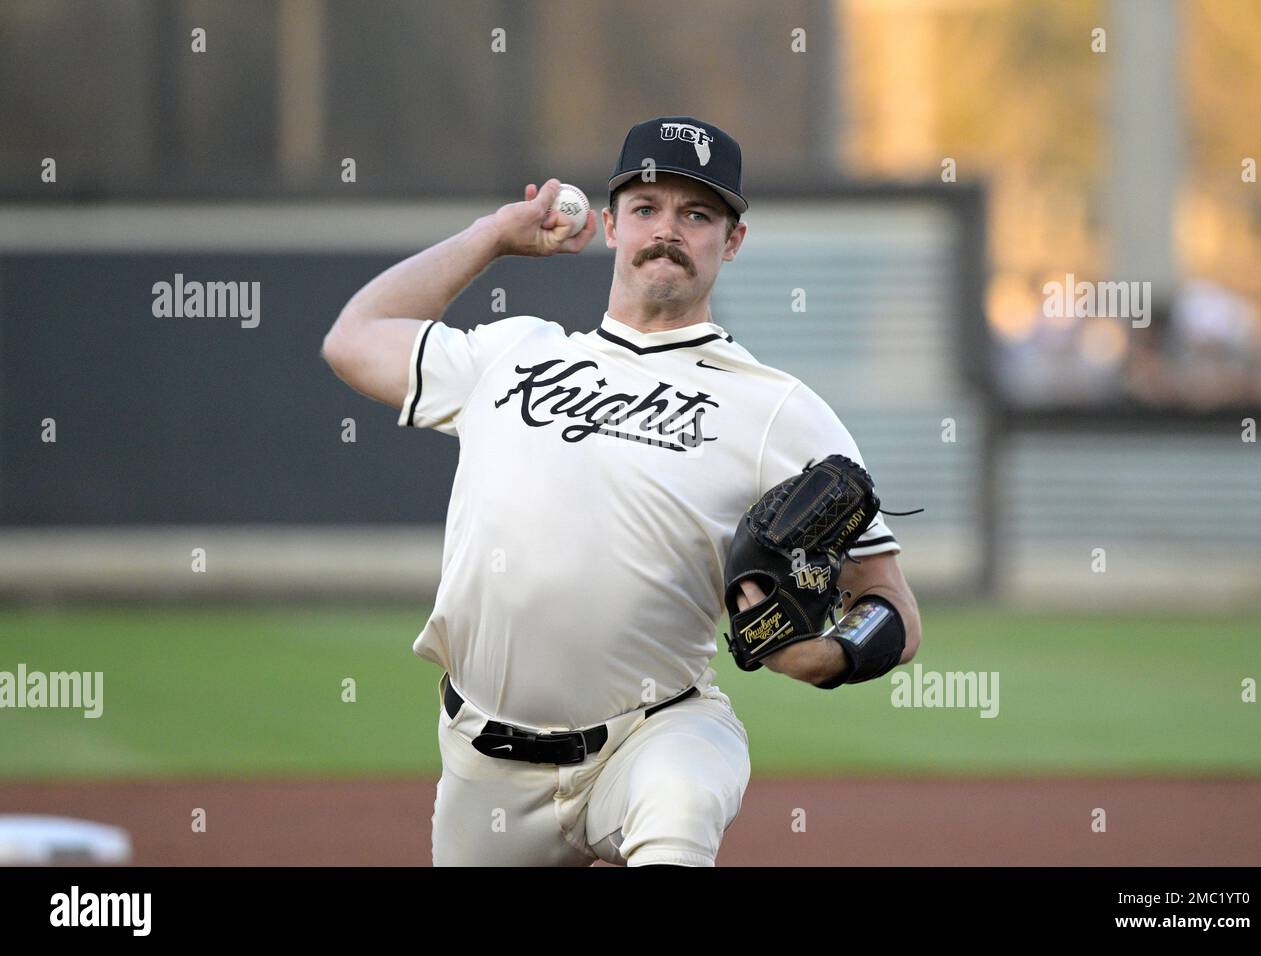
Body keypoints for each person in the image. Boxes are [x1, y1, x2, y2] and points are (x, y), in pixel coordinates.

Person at [321, 116, 922, 867]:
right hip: (486, 768)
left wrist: (824, 656)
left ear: (731, 241)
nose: (667, 229)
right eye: (646, 208)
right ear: (610, 225)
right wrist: (492, 236)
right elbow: (354, 337)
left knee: (682, 803)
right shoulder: (512, 355)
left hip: (658, 735)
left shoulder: (780, 412)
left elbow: (892, 606)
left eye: (696, 214)